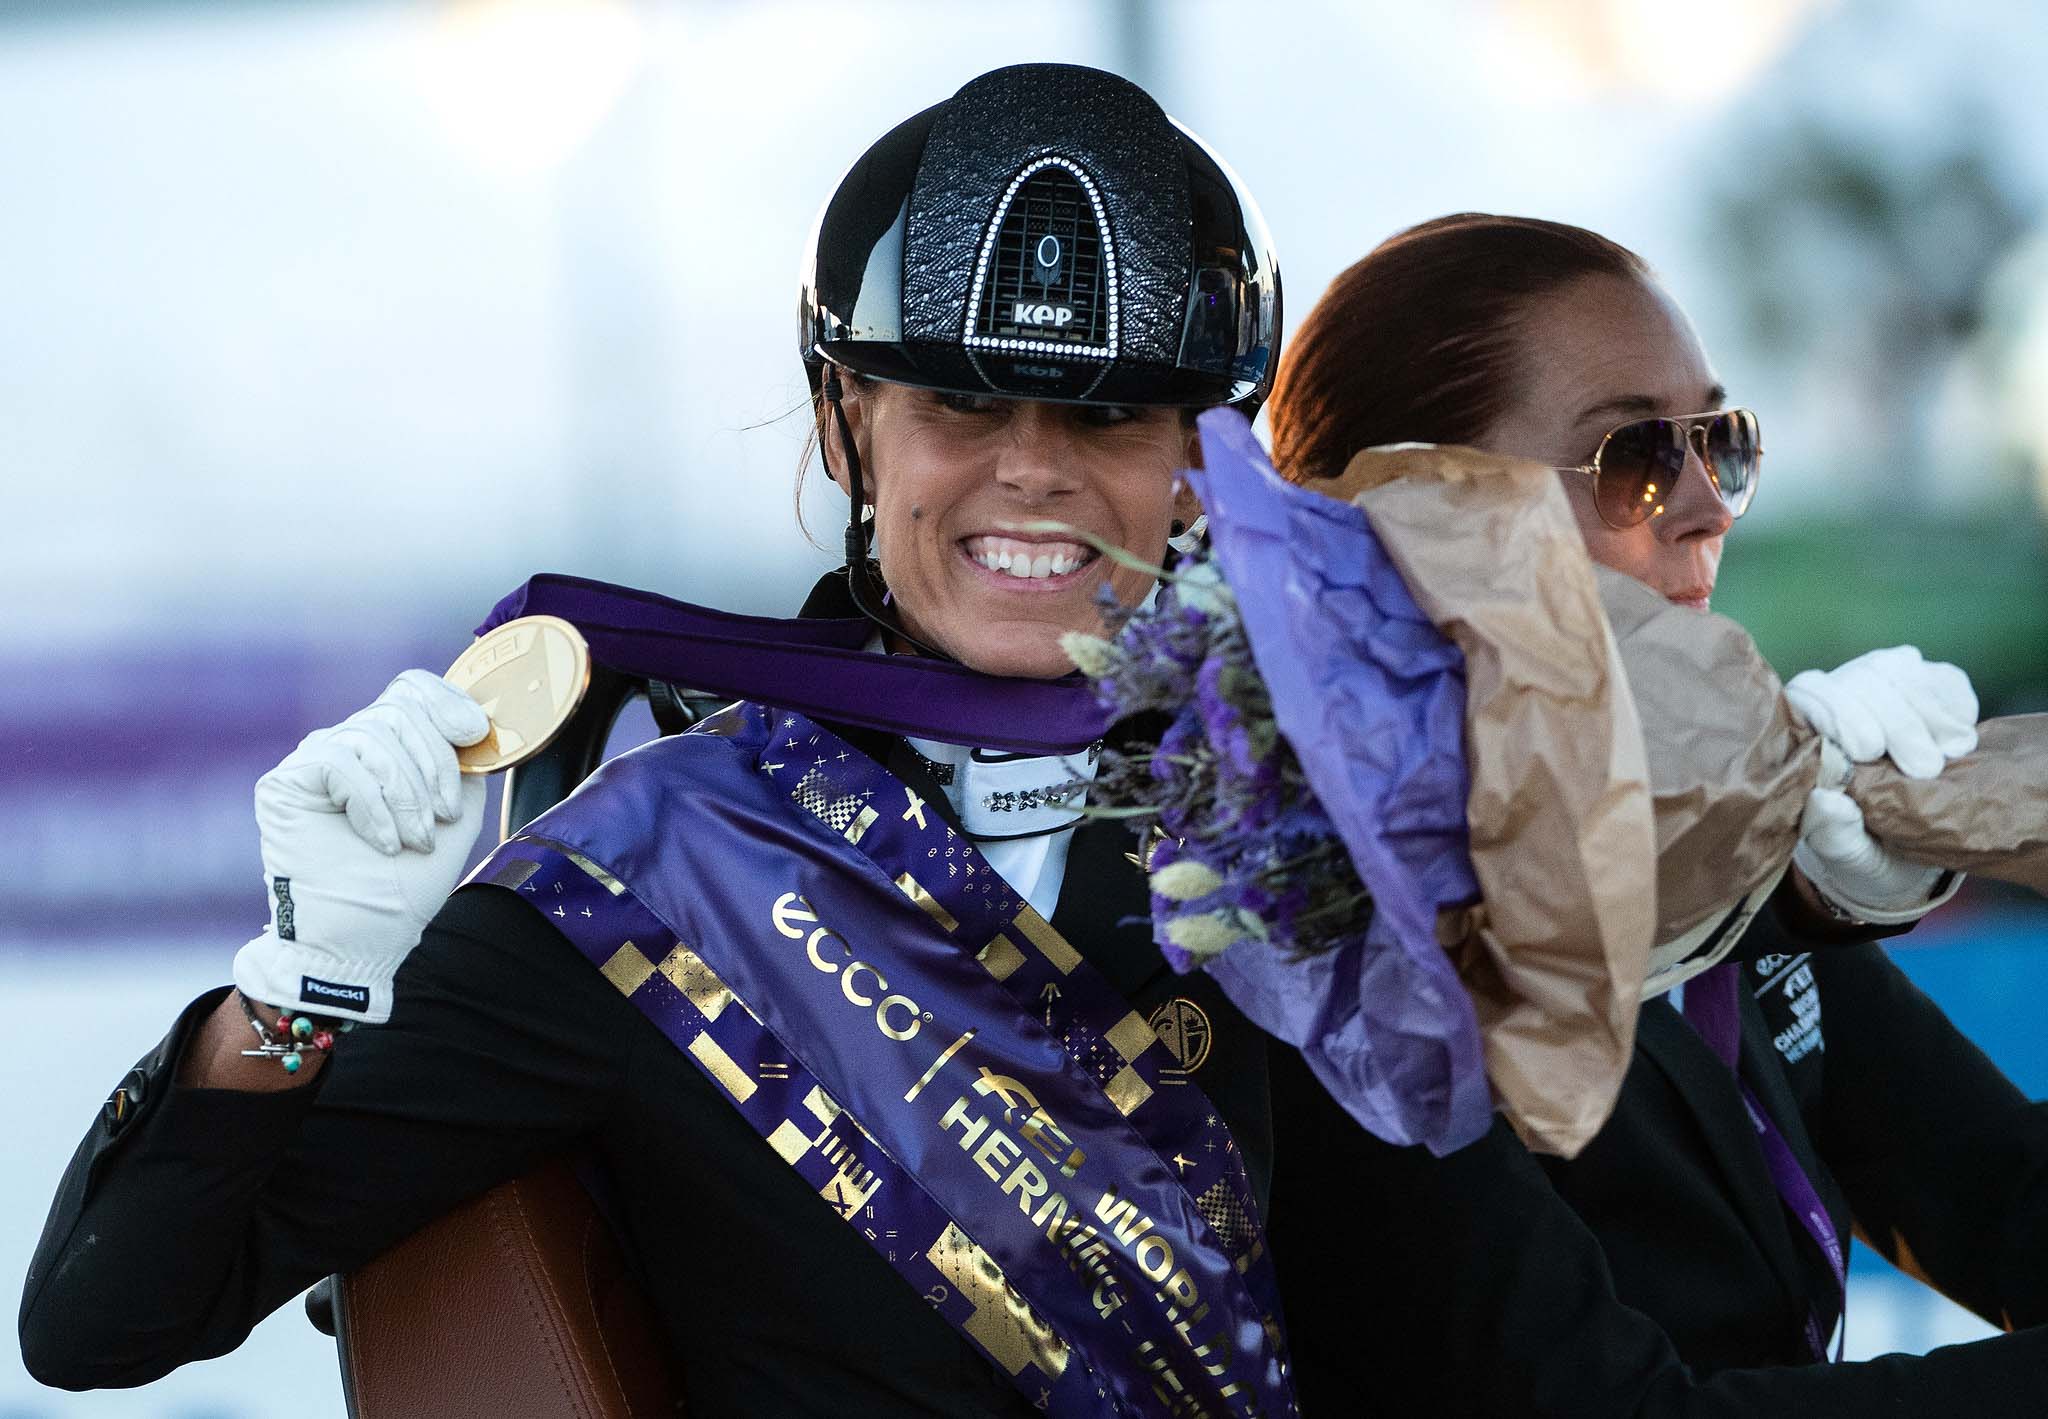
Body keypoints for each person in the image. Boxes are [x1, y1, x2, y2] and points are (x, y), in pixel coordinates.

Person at [18, 64, 1294, 1417]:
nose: (1034, 469)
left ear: (1203, 460)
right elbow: (111, 1311)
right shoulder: (664, 865)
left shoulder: (1316, 836)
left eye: (1108, 413)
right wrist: (297, 987)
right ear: (844, 424)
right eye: (960, 405)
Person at [1263, 212, 2048, 1414]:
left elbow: (2003, 1195)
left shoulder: (1718, 829)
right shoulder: (1324, 935)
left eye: (1717, 444)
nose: (1704, 507)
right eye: (1632, 455)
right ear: (1425, 519)